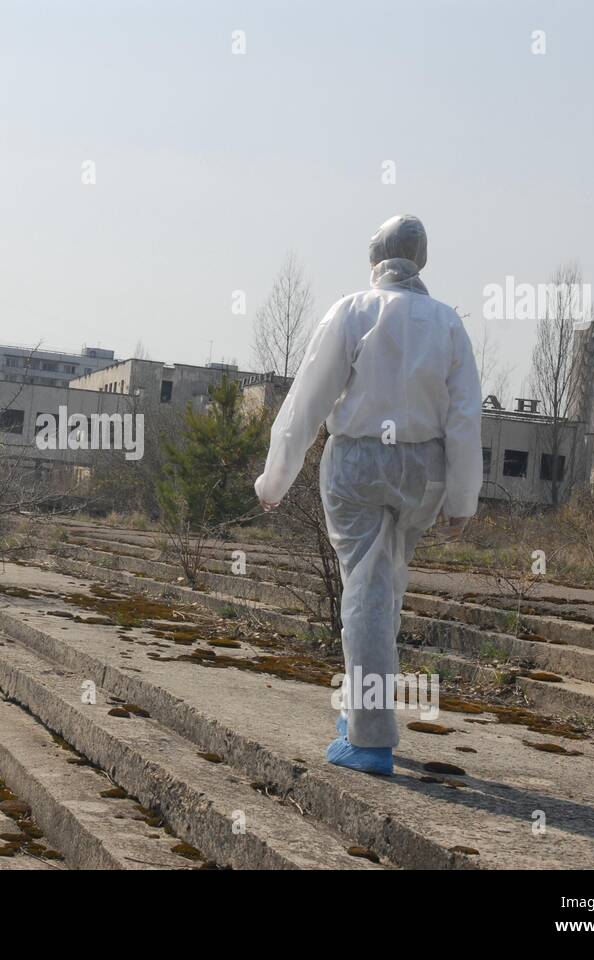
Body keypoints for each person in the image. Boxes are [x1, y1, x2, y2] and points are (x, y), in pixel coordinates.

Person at [254, 215, 482, 775]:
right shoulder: (448, 323)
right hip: (421, 470)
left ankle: (371, 735)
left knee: (365, 593)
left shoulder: (351, 311)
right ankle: (363, 710)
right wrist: (461, 501)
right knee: (385, 586)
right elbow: (464, 420)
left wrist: (275, 479)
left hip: (358, 463)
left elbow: (307, 400)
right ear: (419, 261)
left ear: (375, 259)